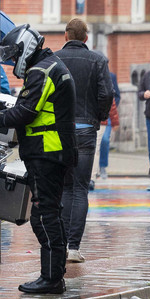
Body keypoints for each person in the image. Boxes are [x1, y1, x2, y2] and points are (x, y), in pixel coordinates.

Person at [0, 25, 77, 295]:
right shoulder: (51, 65)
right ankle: (53, 276)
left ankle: (51, 279)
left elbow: (26, 111)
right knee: (49, 214)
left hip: (47, 151)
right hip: (53, 151)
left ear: (25, 48)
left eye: (14, 56)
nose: (13, 62)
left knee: (44, 216)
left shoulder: (41, 70)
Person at [55, 18, 113, 263]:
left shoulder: (55, 59)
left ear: (66, 35)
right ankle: (73, 246)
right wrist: (98, 117)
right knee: (80, 189)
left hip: (59, 131)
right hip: (86, 129)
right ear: (86, 38)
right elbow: (107, 93)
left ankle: (60, 244)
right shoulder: (98, 60)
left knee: (64, 189)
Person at [99, 70, 120, 182]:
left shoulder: (110, 77)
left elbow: (114, 98)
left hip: (106, 117)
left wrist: (115, 121)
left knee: (105, 140)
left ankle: (102, 166)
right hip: (93, 117)